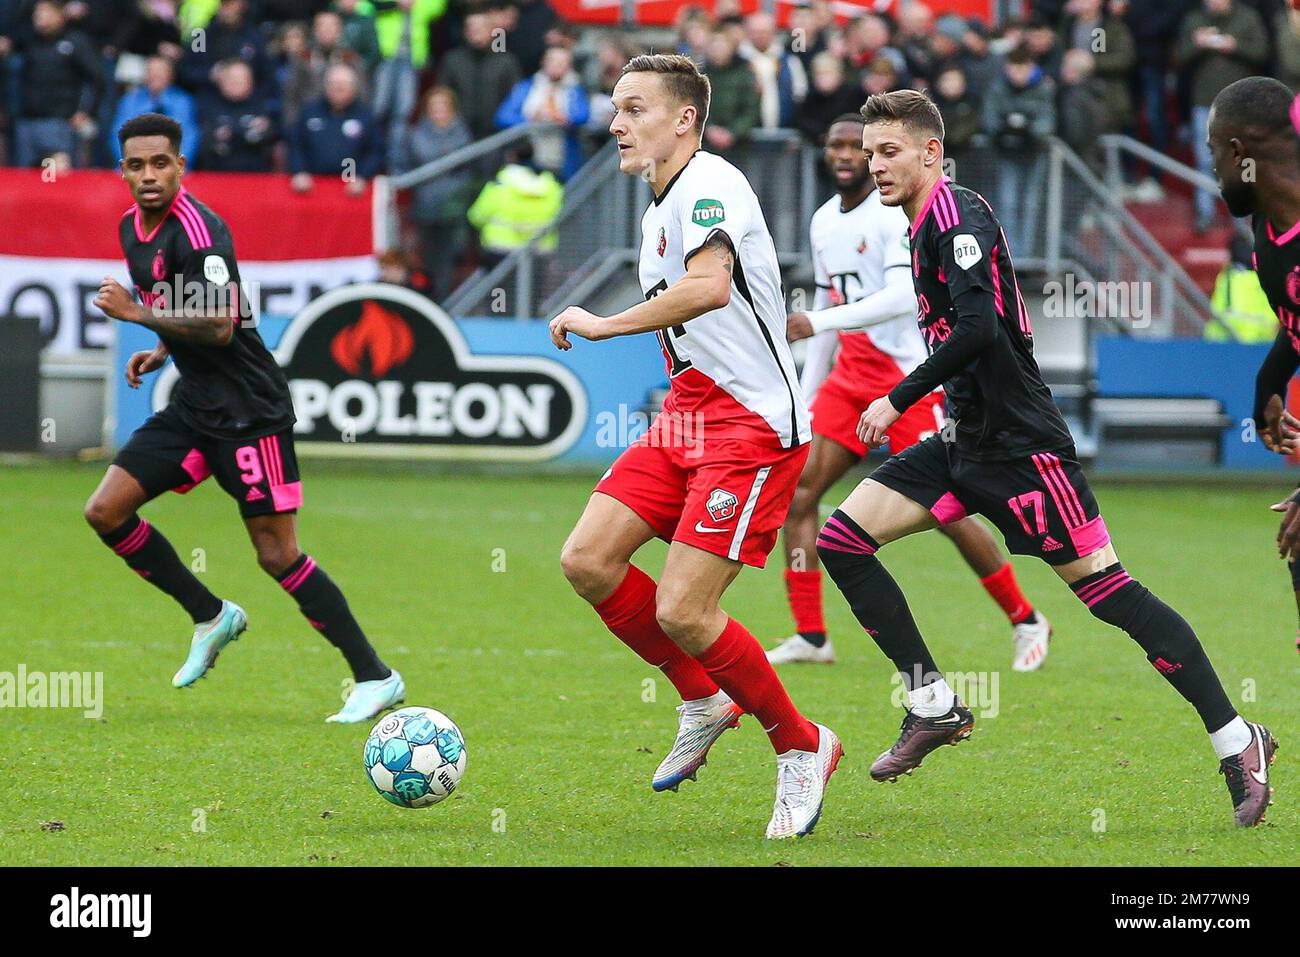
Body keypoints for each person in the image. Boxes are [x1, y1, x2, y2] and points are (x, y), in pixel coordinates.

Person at [820, 89, 1275, 828]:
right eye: (869, 152)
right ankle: (933, 703)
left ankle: (1238, 738)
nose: (874, 164)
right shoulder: (919, 223)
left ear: (931, 152)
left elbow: (979, 331)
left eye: (889, 150)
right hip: (964, 441)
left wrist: (897, 399)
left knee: (1111, 597)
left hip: (1025, 449)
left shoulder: (955, 218)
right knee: (842, 539)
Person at [548, 54, 841, 839]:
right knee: (588, 559)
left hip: (748, 424)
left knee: (684, 606)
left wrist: (604, 322)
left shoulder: (711, 182)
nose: (615, 122)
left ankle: (802, 744)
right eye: (615, 107)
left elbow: (711, 285)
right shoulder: (660, 207)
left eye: (633, 108)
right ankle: (703, 696)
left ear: (683, 119)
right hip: (688, 415)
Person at [85, 113, 403, 723]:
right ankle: (211, 615)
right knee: (105, 510)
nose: (148, 176)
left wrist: (136, 318)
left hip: (250, 412)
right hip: (195, 405)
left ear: (181, 166)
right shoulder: (132, 227)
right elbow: (182, 308)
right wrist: (161, 349)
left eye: (160, 163)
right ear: (121, 170)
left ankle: (375, 676)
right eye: (136, 165)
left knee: (277, 554)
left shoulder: (201, 233)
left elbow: (219, 324)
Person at [768, 114, 1052, 671]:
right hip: (849, 377)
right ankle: (812, 634)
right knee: (799, 496)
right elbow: (832, 305)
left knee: (947, 511)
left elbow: (900, 296)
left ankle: (1025, 618)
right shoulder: (825, 220)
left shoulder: (898, 213)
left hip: (906, 380)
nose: (851, 156)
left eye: (863, 146)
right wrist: (804, 396)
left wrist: (823, 323)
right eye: (840, 145)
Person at [1209, 76, 1300, 656]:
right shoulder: (1266, 229)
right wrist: (1268, 385)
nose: (1214, 172)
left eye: (1214, 152)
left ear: (1239, 152)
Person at [1177, 0, 1269, 232]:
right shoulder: (1193, 19)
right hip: (1204, 103)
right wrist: (1197, 44)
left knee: (1240, 162)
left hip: (1240, 103)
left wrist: (1235, 46)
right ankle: (1205, 214)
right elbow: (1179, 57)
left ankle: (1241, 218)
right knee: (1205, 161)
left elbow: (1262, 53)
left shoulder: (1248, 17)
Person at [112, 55, 198, 165]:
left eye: (160, 71)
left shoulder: (183, 101)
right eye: (150, 71)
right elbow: (118, 136)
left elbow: (188, 138)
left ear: (171, 75)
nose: (155, 75)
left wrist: (174, 166)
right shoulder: (129, 100)